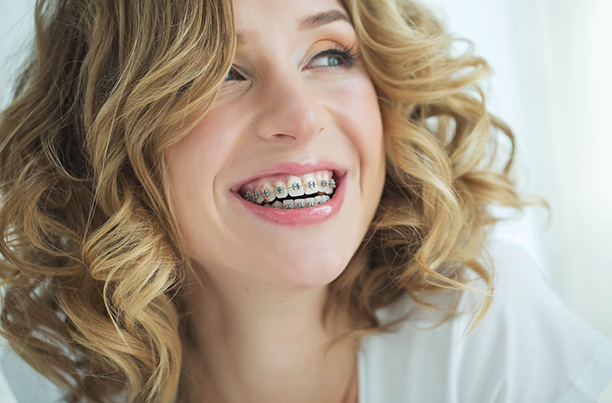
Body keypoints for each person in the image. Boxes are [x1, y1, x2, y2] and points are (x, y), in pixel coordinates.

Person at [0, 0, 611, 402]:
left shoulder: (482, 329)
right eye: (220, 74)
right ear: (103, 137)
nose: (300, 116)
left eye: (329, 55)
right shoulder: (48, 379)